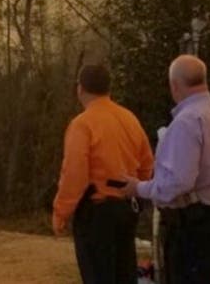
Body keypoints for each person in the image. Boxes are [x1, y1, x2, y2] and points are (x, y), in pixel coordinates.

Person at [118, 55, 210, 284]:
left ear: (174, 85)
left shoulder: (187, 121)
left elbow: (177, 182)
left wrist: (138, 188)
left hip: (195, 225)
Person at [53, 63, 155, 284]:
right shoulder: (130, 119)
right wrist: (139, 195)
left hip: (96, 212)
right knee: (125, 276)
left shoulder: (83, 124)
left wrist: (61, 213)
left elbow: (74, 174)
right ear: (109, 88)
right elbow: (147, 165)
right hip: (127, 209)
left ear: (80, 89)